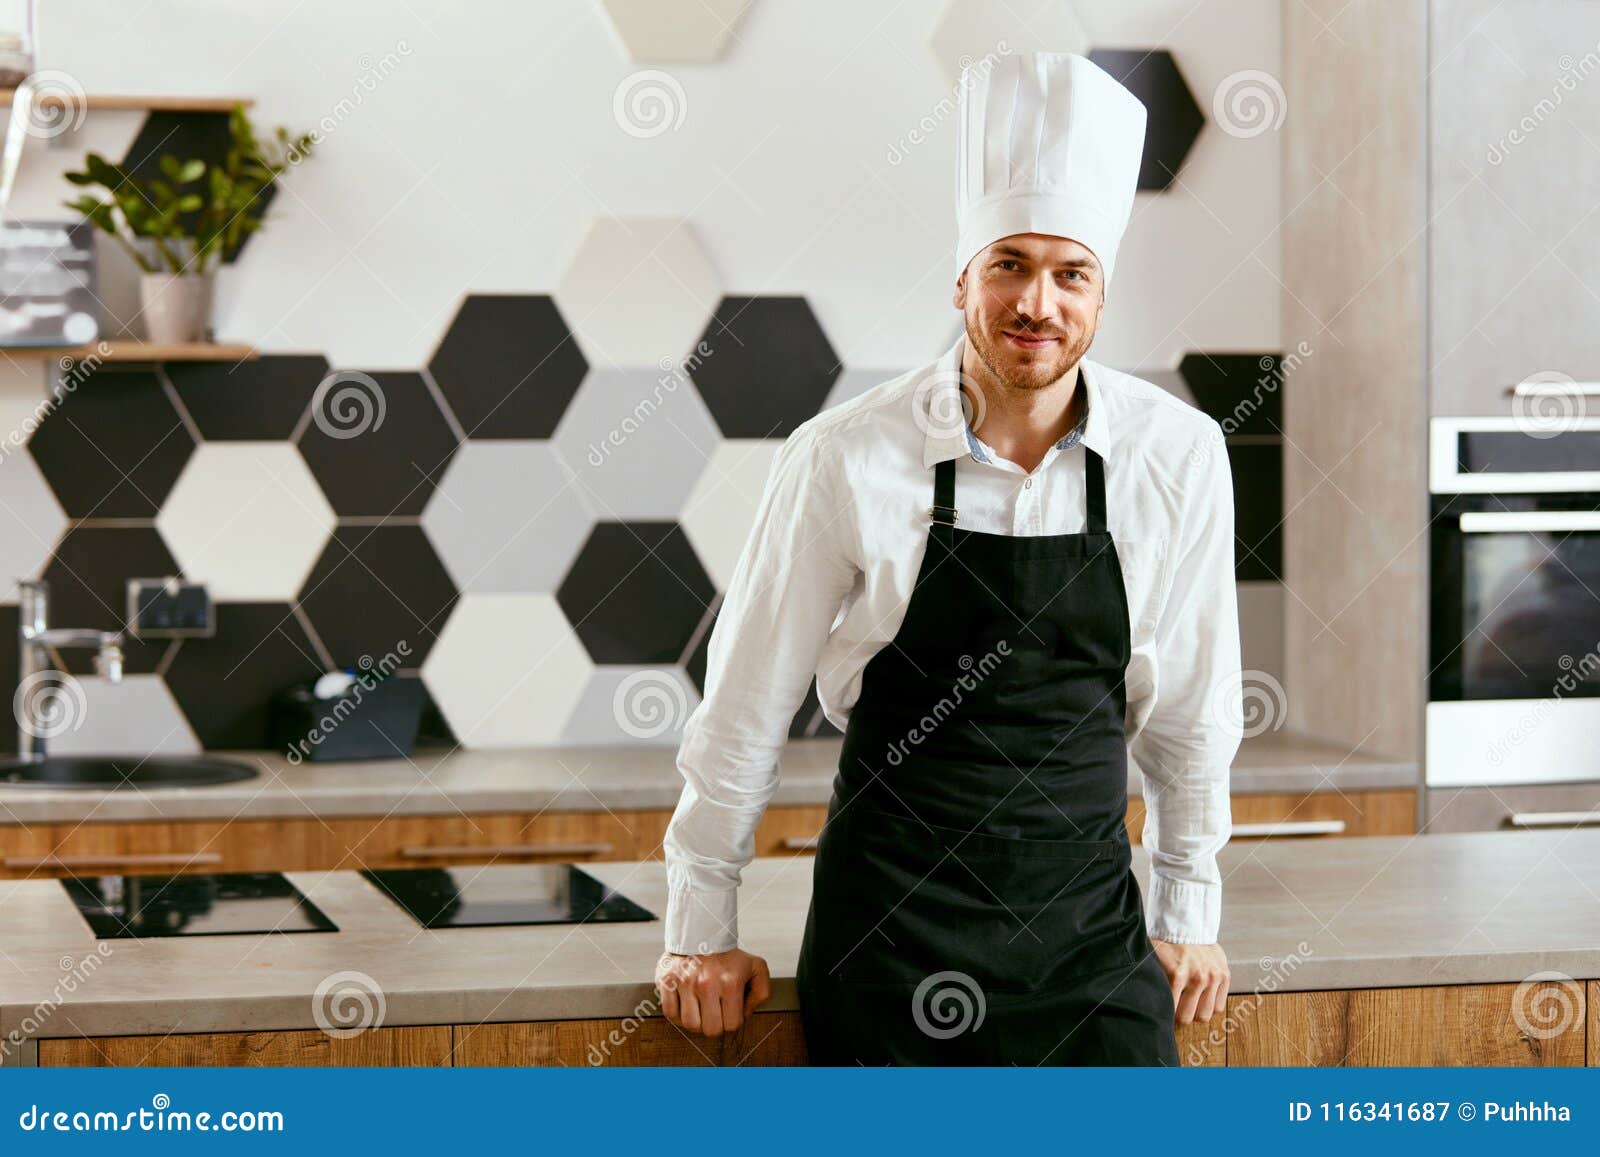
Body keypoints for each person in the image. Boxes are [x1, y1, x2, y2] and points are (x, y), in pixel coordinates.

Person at [656, 51, 1239, 1065]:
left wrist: (1187, 902)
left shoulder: (1179, 454)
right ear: (962, 276)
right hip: (892, 930)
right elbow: (743, 705)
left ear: (1101, 294)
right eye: (1009, 264)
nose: (1037, 303)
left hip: (1088, 942)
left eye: (1070, 274)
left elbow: (1191, 707)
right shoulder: (842, 455)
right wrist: (701, 925)